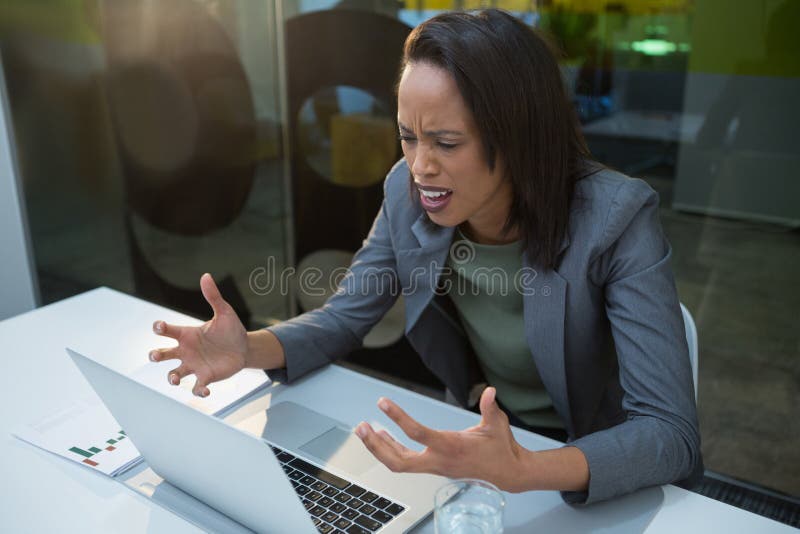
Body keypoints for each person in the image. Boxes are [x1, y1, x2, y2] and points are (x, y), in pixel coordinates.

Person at [148, 9, 702, 505]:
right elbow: (346, 315)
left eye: (446, 143)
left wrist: (524, 468)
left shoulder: (617, 218)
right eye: (408, 137)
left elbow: (670, 434)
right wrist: (248, 349)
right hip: (482, 447)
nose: (419, 166)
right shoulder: (405, 193)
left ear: (520, 138)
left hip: (591, 464)